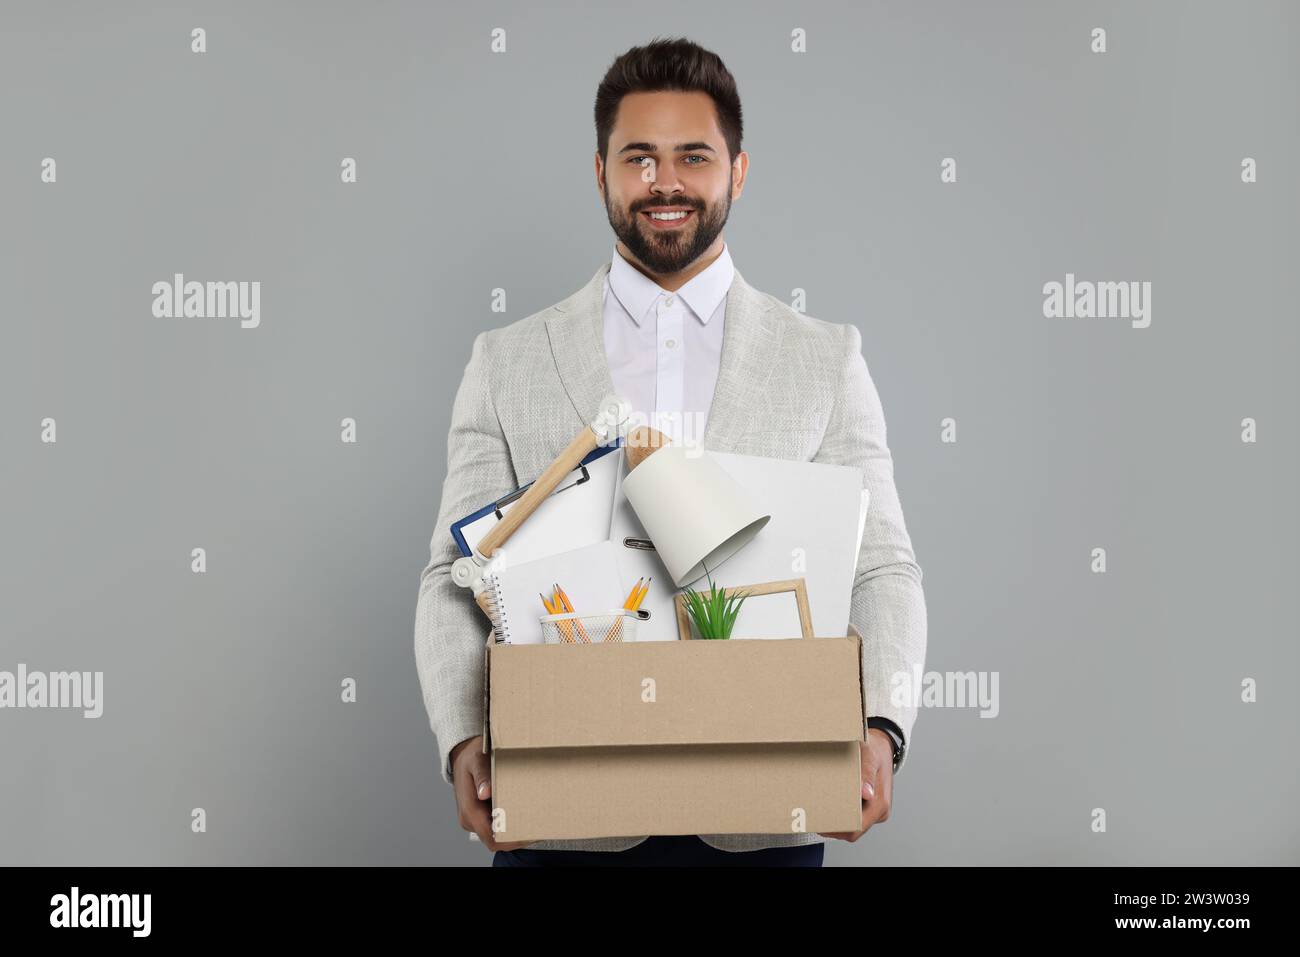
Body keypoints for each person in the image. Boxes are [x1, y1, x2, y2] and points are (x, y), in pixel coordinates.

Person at [414, 36, 927, 867]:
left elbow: (884, 568)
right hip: (562, 811)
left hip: (766, 812)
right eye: (639, 158)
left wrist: (881, 727)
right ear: (601, 172)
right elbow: (453, 576)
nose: (666, 183)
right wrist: (463, 732)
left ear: (739, 169)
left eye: (693, 156)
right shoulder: (505, 360)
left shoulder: (826, 358)